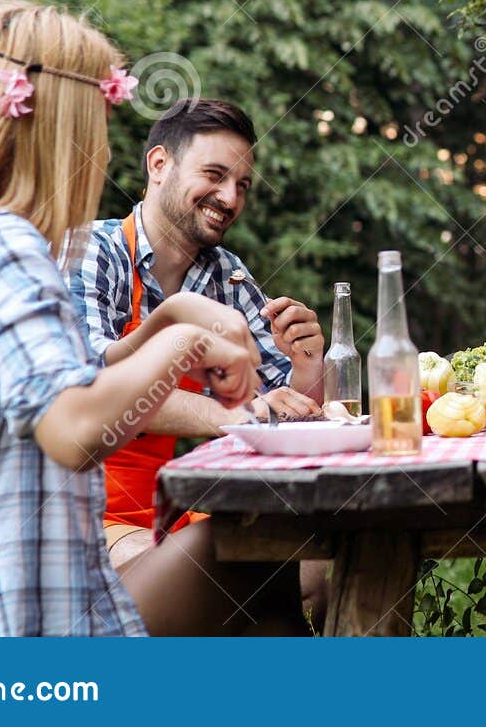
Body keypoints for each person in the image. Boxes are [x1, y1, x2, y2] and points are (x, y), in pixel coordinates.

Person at [0, 0, 306, 636]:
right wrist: (186, 344)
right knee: (260, 553)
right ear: (59, 128)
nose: (100, 146)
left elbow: (70, 372)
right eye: (95, 119)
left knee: (263, 582)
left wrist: (169, 314)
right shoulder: (4, 245)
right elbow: (74, 426)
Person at [68, 97, 331, 618]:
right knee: (249, 576)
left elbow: (285, 410)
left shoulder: (223, 273)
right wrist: (234, 415)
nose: (230, 197)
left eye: (243, 186)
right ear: (159, 165)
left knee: (324, 566)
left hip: (170, 509)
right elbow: (89, 389)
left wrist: (307, 365)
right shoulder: (93, 252)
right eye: (215, 174)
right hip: (83, 517)